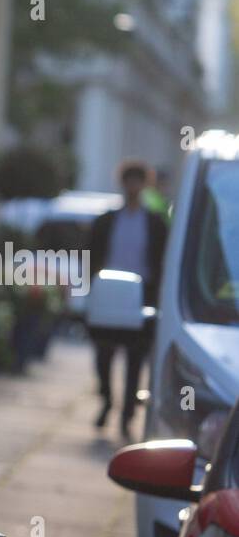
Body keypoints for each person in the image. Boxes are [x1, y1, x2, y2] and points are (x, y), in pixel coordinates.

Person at [88, 159, 168, 439]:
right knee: (103, 355)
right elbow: (92, 256)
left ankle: (127, 415)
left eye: (137, 181)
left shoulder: (155, 223)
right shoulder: (107, 220)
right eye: (128, 181)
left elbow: (161, 261)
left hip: (140, 296)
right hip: (109, 293)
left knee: (135, 359)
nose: (132, 187)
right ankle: (107, 400)